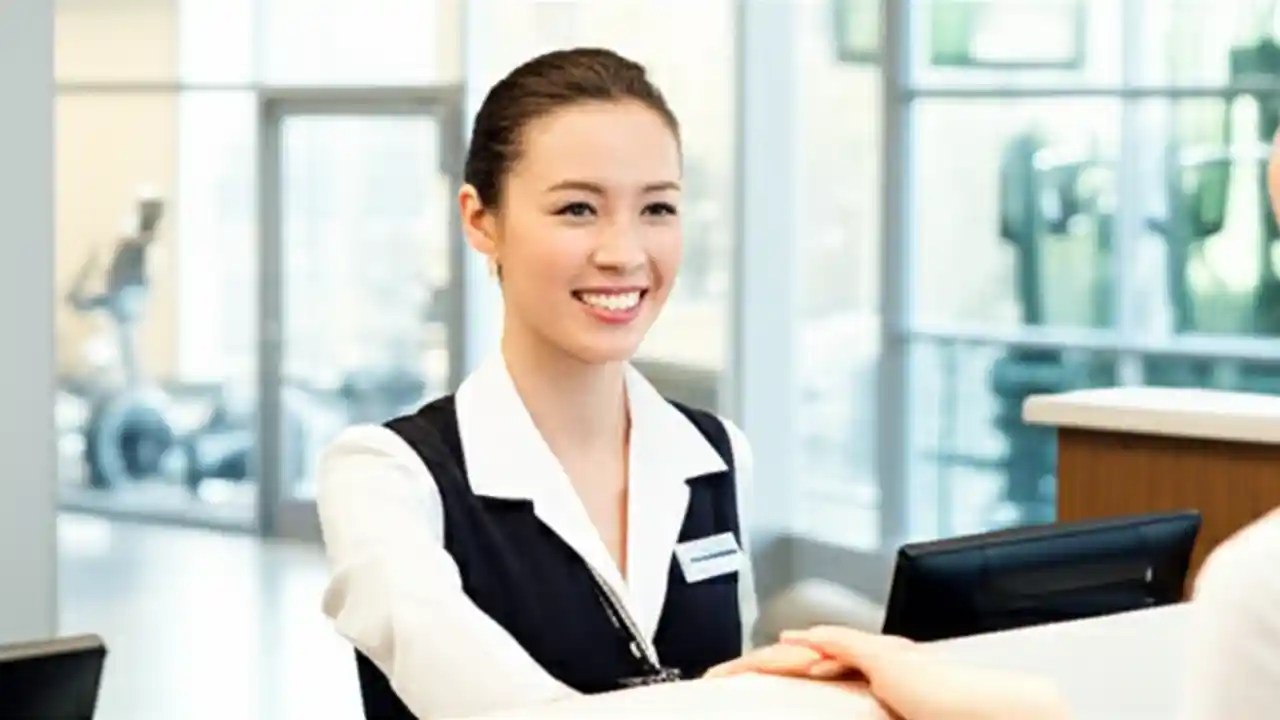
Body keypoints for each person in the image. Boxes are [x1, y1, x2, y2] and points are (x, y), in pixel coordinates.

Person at [316, 48, 757, 720]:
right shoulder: (387, 478)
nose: (624, 252)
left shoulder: (717, 454)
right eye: (579, 209)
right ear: (479, 219)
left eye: (658, 209)